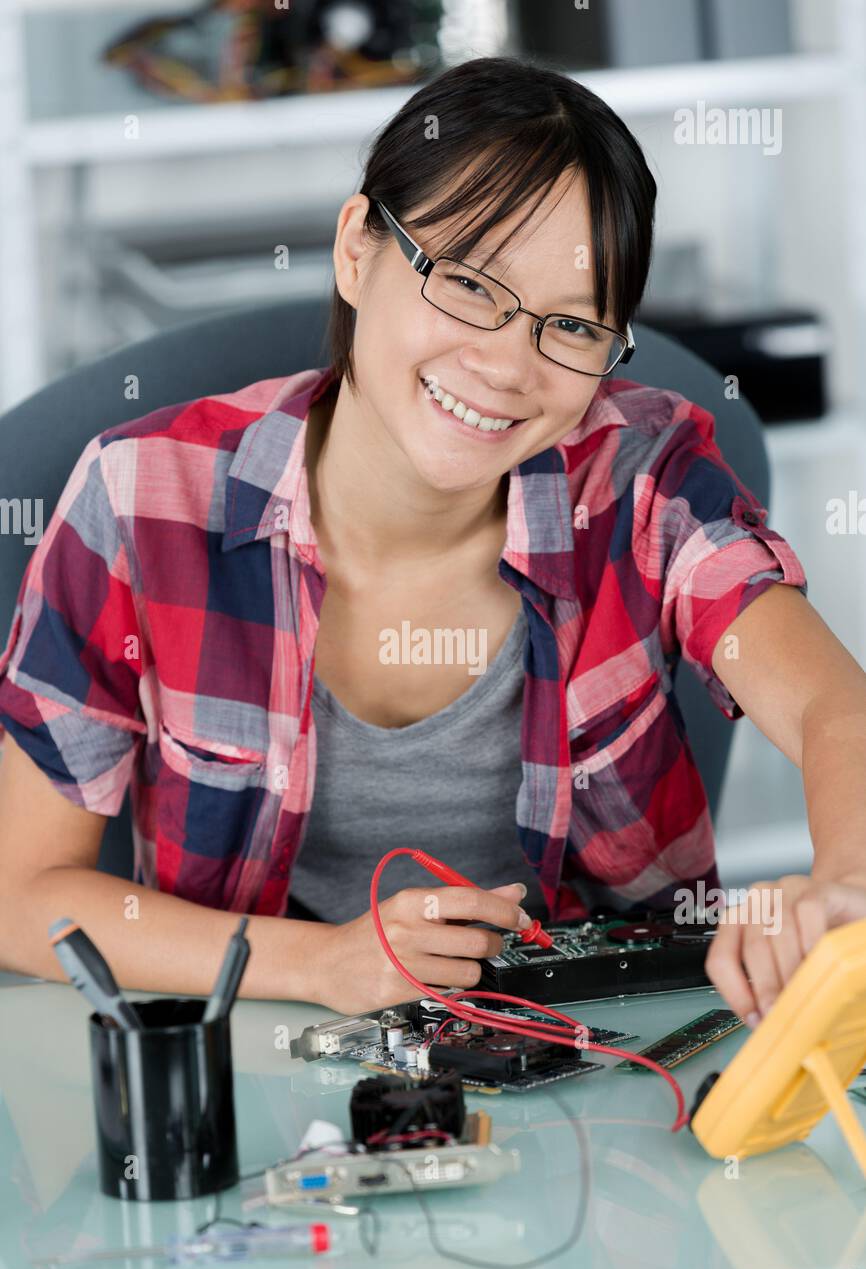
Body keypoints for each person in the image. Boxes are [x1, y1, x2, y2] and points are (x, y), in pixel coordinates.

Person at [1, 57, 865, 1018]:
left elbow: (838, 710)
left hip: (604, 1046)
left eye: (571, 329)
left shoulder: (645, 480)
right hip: (263, 1055)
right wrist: (325, 965)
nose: (504, 367)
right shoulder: (138, 498)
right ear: (356, 250)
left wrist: (848, 886)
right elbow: (22, 896)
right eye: (467, 284)